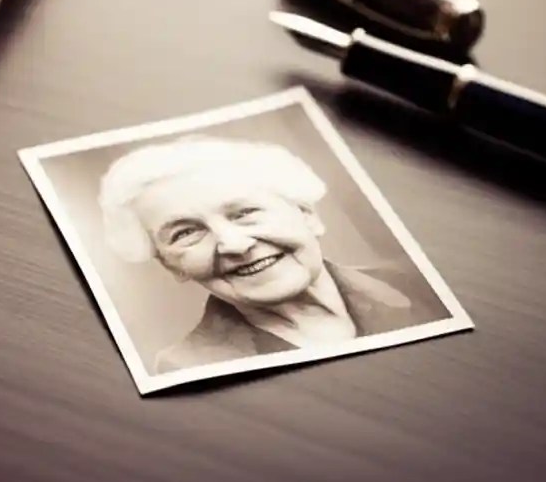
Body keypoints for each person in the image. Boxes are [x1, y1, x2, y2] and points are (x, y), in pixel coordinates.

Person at [98, 136, 443, 373]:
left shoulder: (415, 282)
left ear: (309, 215)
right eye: (186, 233)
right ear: (171, 265)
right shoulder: (189, 365)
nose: (233, 244)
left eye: (245, 212)